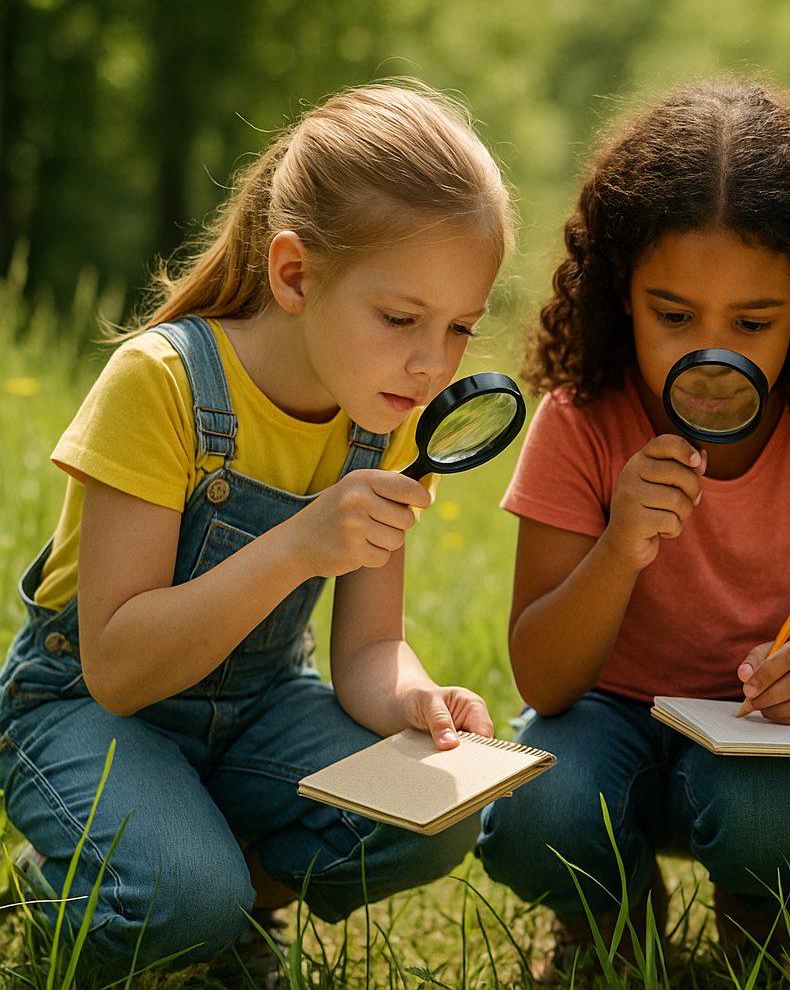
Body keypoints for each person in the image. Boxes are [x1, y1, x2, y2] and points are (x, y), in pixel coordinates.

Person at [0, 82, 512, 970]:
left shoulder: (385, 419)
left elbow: (368, 647)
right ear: (294, 274)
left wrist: (413, 699)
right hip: (89, 711)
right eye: (400, 319)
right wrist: (299, 545)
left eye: (461, 326)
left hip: (258, 708)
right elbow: (116, 668)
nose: (431, 363)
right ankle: (69, 886)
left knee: (434, 814)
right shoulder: (161, 384)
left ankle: (218, 891)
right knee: (183, 899)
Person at [476, 80, 790, 983]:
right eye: (673, 316)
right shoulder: (581, 421)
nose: (710, 357)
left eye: (753, 323)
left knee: (770, 818)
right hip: (605, 723)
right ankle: (613, 909)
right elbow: (543, 679)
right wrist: (619, 545)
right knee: (535, 810)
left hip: (760, 743)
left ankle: (764, 906)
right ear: (621, 293)